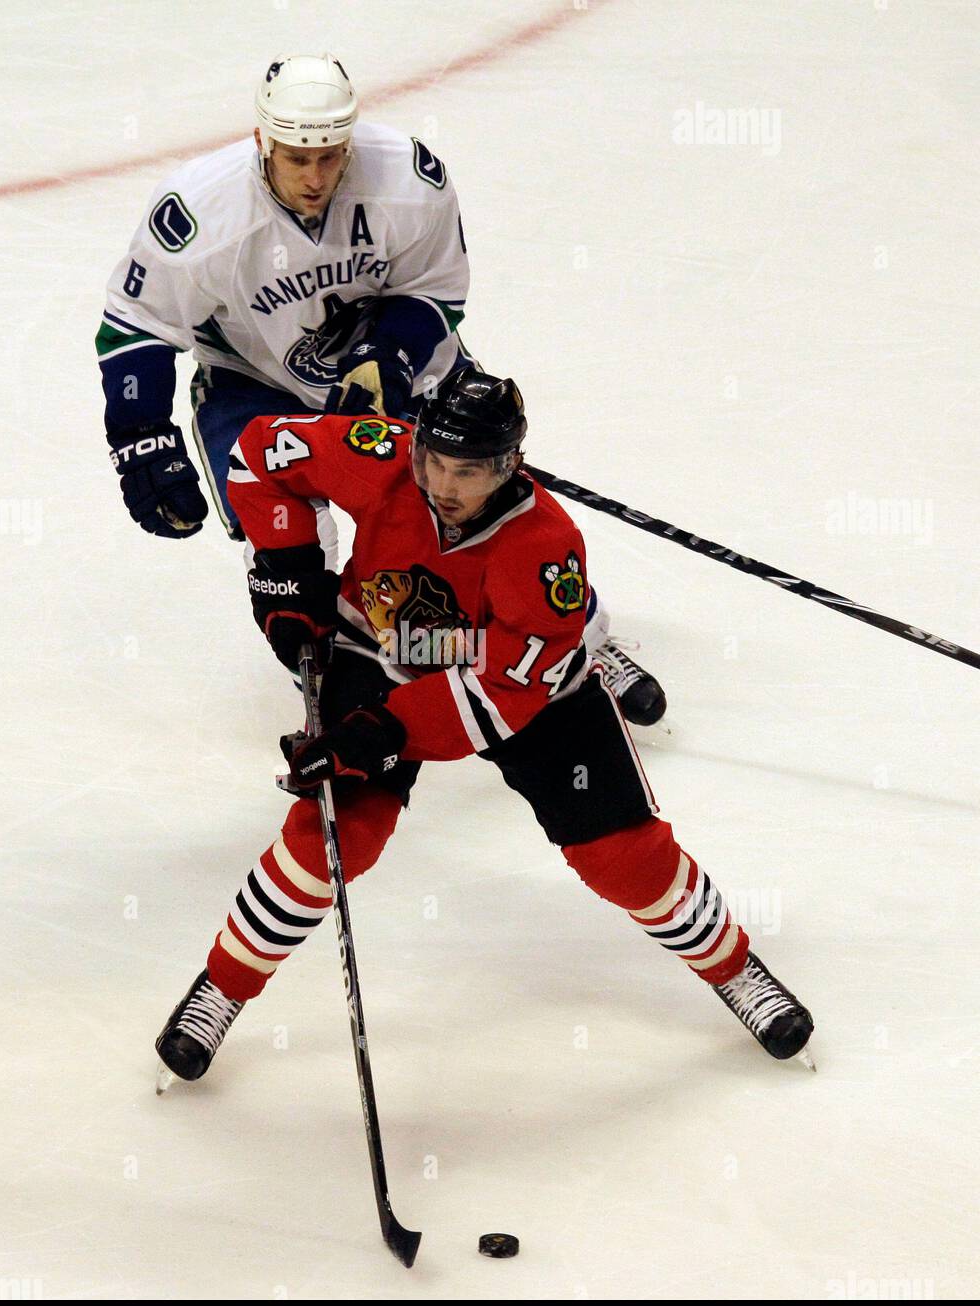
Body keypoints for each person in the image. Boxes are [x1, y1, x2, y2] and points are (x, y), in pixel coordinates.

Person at [154, 369, 813, 1084]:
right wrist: (285, 573)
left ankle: (734, 969)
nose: (441, 482)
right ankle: (221, 987)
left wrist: (381, 730)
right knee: (332, 840)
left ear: (507, 466)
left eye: (466, 471)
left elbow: (501, 694)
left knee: (625, 859)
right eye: (434, 459)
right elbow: (259, 454)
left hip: (530, 692)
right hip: (379, 650)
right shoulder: (384, 455)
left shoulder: (544, 549)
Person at [97, 50, 667, 724]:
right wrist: (141, 437)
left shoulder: (407, 180)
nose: (315, 177)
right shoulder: (200, 211)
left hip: (396, 366)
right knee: (283, 535)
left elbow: (436, 291)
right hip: (255, 382)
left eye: (330, 156)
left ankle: (578, 640)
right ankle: (338, 666)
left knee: (474, 501)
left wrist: (386, 359)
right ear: (261, 140)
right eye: (295, 157)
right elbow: (135, 324)